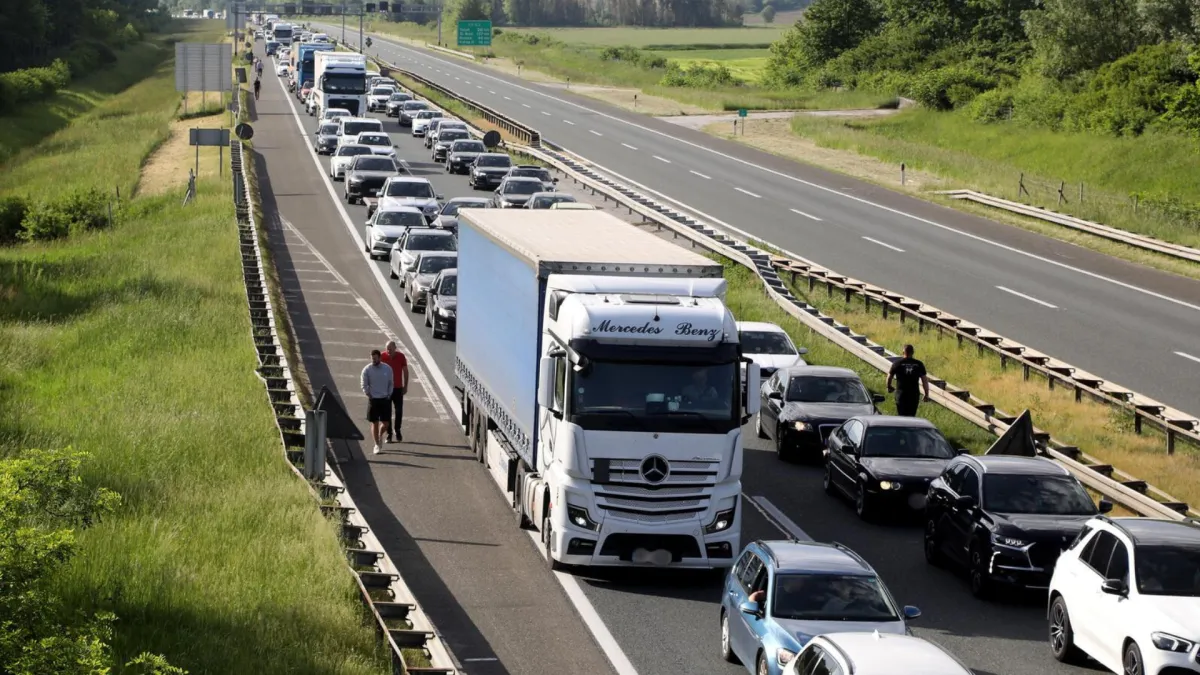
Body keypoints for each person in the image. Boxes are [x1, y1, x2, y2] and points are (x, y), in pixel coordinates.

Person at [361, 349, 394, 455]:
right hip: (373, 399)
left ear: (380, 357)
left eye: (375, 358)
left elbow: (391, 382)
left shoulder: (387, 369)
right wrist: (367, 392)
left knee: (386, 424)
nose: (373, 360)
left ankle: (380, 435)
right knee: (374, 422)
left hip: (385, 399)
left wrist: (389, 394)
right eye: (372, 358)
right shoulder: (367, 369)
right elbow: (363, 382)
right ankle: (376, 444)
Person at [887, 344, 930, 417]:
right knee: (911, 416)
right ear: (913, 353)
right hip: (913, 395)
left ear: (903, 352)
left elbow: (889, 377)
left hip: (901, 395)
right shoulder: (919, 364)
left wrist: (889, 386)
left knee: (901, 416)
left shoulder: (897, 363)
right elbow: (924, 380)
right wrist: (926, 394)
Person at [380, 340, 409, 443]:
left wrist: (405, 386)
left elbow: (405, 371)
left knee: (399, 411)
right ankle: (389, 434)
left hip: (397, 388)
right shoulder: (382, 356)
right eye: (387, 349)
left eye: (390, 349)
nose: (388, 351)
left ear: (395, 348)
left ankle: (397, 430)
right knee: (387, 412)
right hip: (386, 389)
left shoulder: (401, 357)